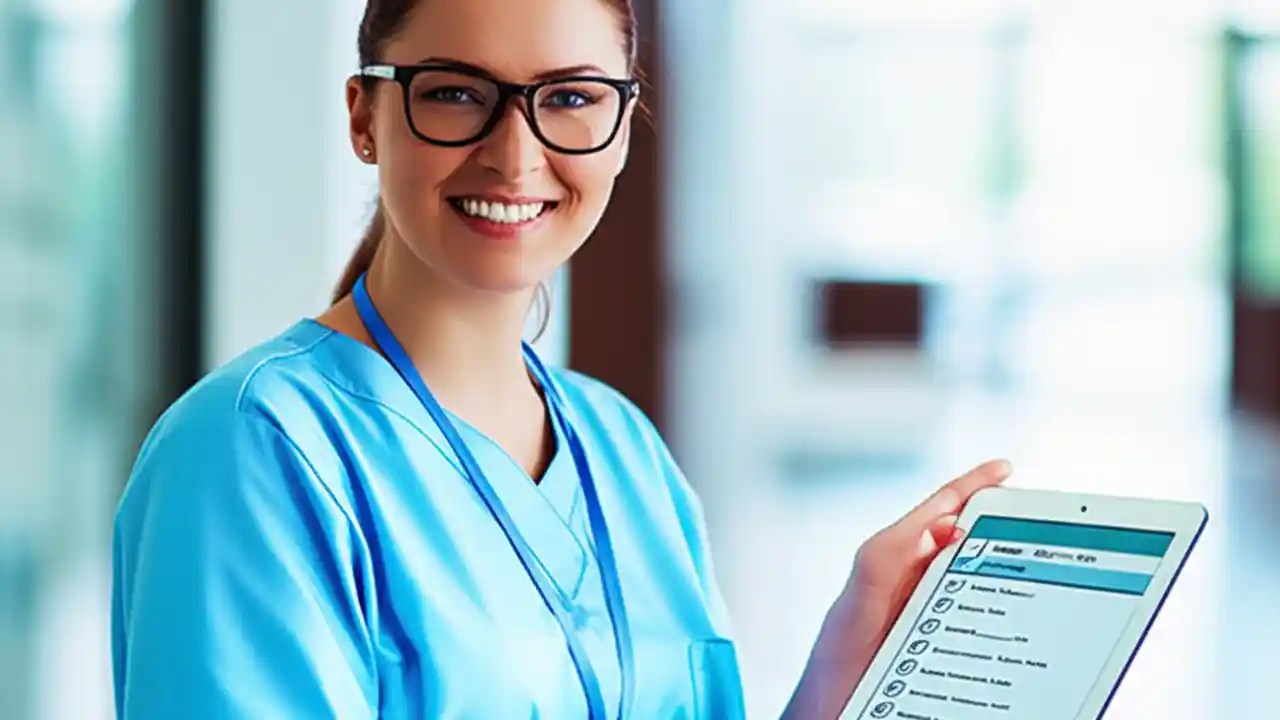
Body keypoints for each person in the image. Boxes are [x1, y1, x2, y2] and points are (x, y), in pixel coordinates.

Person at [110, 0, 1011, 717]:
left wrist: (847, 659)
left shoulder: (624, 451)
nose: (515, 157)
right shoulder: (250, 451)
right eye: (455, 93)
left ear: (621, 127)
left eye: (572, 99)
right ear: (364, 116)